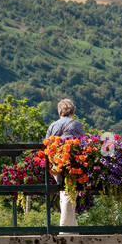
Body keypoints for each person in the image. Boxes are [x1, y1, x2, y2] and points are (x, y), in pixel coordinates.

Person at [47, 98, 83, 228]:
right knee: (68, 192)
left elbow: (47, 145)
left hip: (57, 164)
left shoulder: (53, 125)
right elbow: (82, 144)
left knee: (64, 193)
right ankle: (66, 229)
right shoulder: (77, 125)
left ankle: (70, 229)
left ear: (59, 111)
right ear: (72, 111)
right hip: (73, 164)